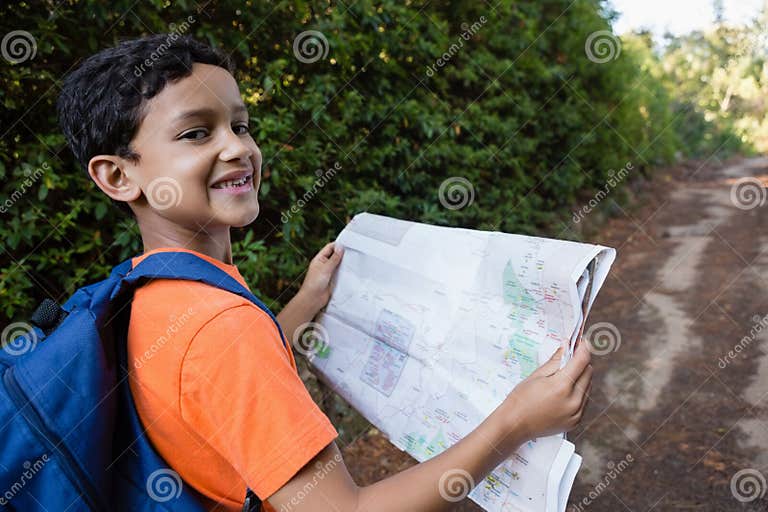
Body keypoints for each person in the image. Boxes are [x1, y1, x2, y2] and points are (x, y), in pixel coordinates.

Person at [56, 33, 593, 512]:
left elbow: (221, 391)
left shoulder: (152, 288)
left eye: (240, 125)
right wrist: (515, 423)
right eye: (197, 133)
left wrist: (307, 302)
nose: (238, 147)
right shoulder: (218, 326)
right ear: (119, 176)